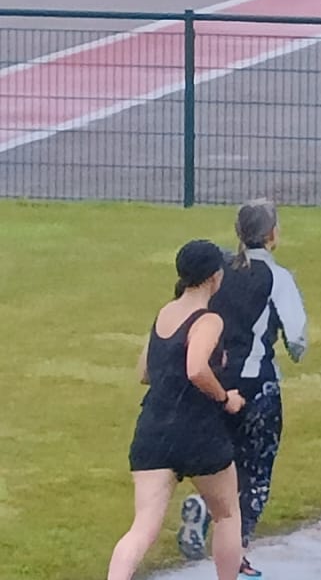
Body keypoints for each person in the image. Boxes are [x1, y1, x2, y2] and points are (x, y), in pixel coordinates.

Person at [109, 240, 245, 580]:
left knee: (142, 527)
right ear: (215, 278)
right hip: (199, 432)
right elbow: (196, 368)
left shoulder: (164, 314)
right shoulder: (209, 320)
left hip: (154, 429)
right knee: (227, 514)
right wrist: (225, 398)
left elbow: (144, 372)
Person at [203, 200, 308, 579]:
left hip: (215, 383)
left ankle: (204, 508)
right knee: (256, 473)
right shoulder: (277, 278)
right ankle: (239, 550)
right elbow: (296, 339)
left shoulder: (219, 272)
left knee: (218, 464)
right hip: (257, 388)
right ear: (272, 234)